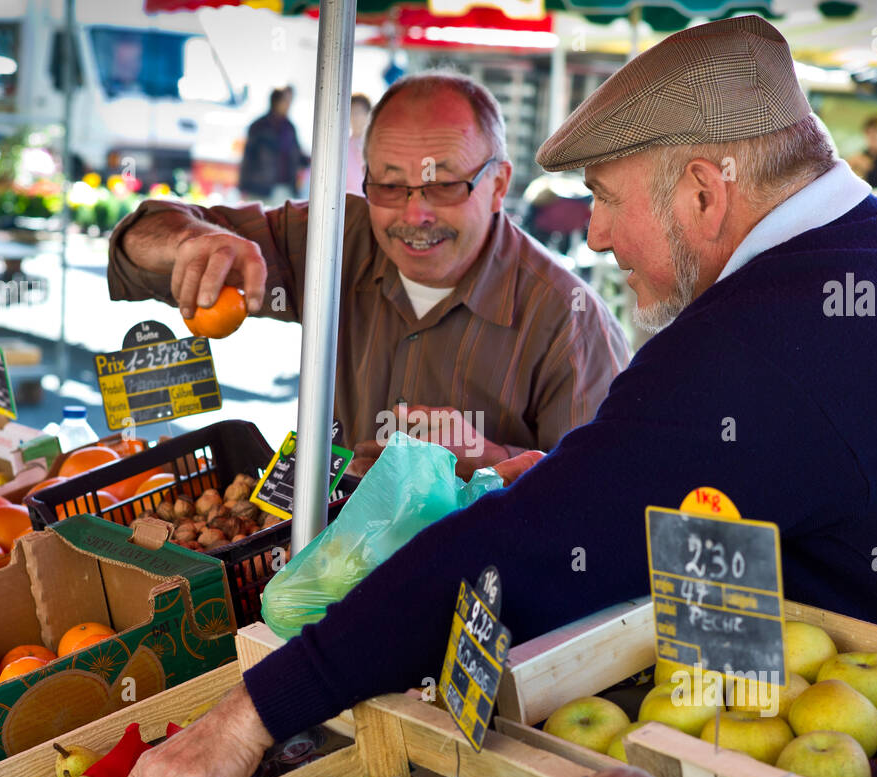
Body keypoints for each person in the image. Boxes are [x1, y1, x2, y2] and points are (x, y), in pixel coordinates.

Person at [107, 15, 877, 777]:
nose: (598, 236)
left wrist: (252, 714)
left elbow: (519, 551)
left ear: (703, 189)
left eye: (610, 200)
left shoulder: (758, 338)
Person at [109, 72, 630, 478]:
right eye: (389, 185)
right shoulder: (336, 238)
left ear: (499, 186)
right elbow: (136, 246)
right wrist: (191, 244)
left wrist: (486, 462)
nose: (415, 215)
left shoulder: (570, 324)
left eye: (445, 184)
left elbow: (600, 501)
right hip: (316, 571)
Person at [237, 86, 309, 205]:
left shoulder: (290, 127)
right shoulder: (258, 126)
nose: (288, 104)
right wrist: (243, 187)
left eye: (290, 101)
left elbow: (296, 153)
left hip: (284, 189)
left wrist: (309, 160)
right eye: (285, 101)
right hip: (260, 189)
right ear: (275, 101)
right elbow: (248, 158)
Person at [345, 93, 371, 195]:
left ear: (368, 114)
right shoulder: (342, 148)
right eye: (352, 112)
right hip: (349, 205)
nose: (355, 116)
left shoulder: (375, 145)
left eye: (359, 112)